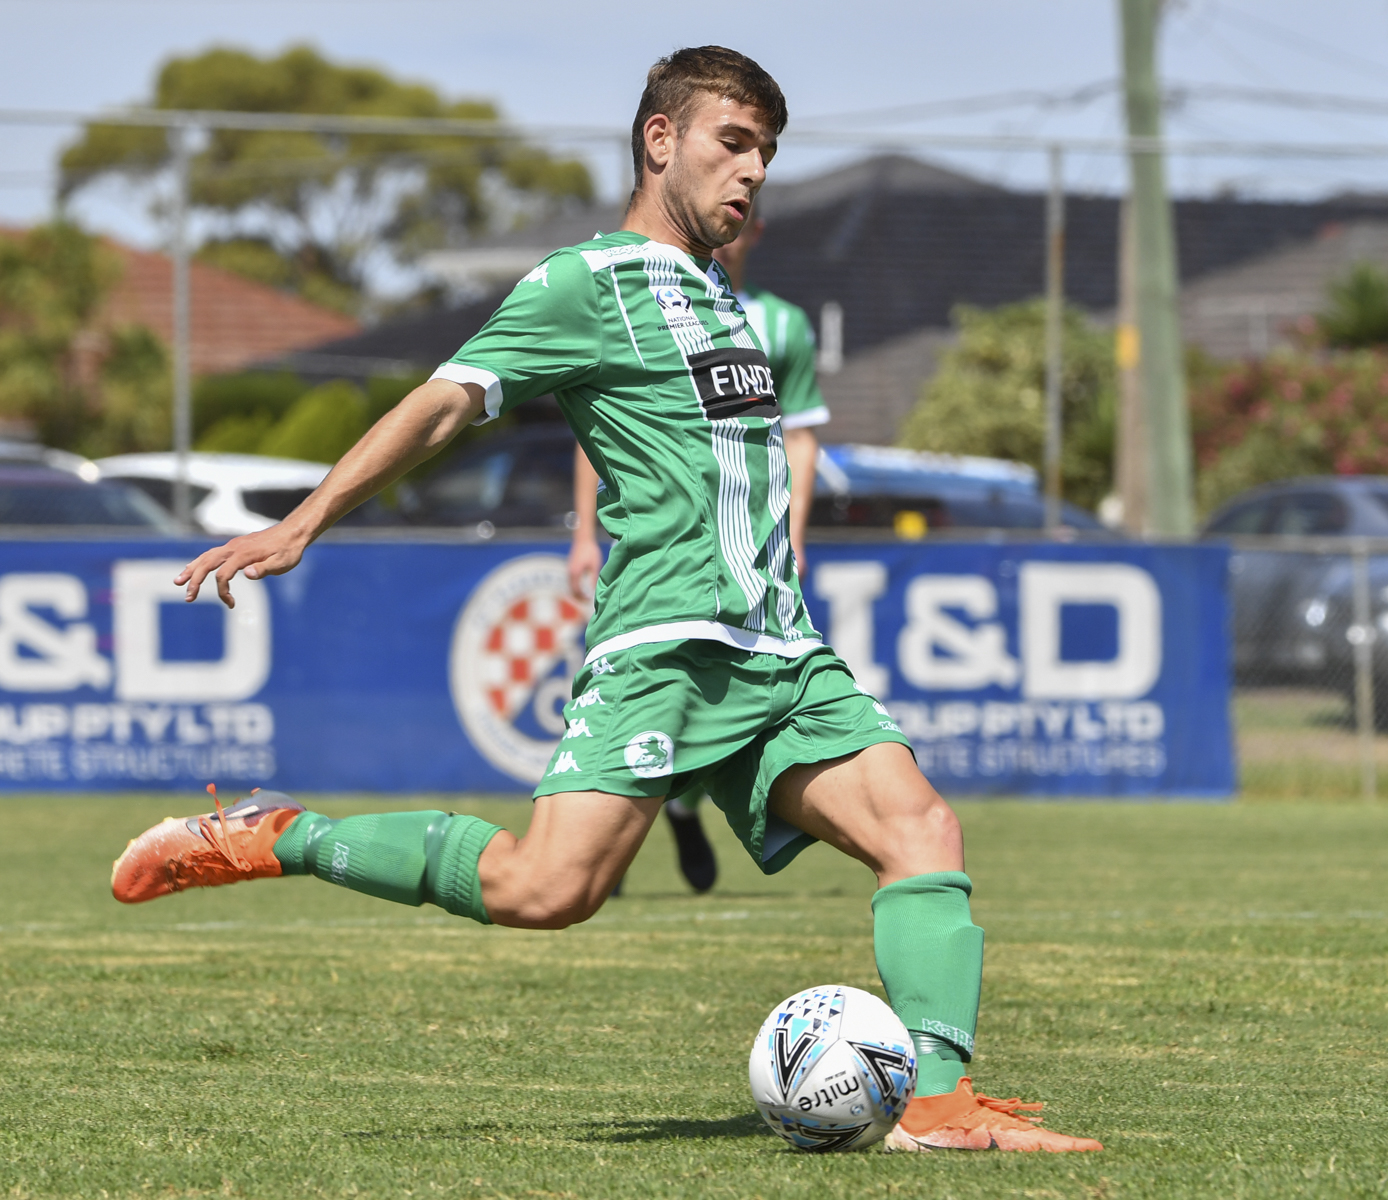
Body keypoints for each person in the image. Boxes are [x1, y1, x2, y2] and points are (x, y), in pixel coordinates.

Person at [111, 46, 1100, 1154]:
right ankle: (277, 836)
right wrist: (302, 522)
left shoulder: (733, 302)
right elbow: (444, 405)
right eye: (734, 143)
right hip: (667, 649)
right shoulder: (584, 284)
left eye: (767, 153)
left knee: (921, 828)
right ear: (659, 140)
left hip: (778, 651)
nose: (753, 172)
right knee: (548, 890)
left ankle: (939, 1104)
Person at [567, 205, 827, 895]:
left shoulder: (781, 324)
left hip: (753, 567)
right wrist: (584, 535)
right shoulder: (625, 294)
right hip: (657, 559)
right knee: (639, 689)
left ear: (759, 232)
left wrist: (791, 539)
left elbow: (798, 438)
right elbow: (591, 422)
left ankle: (674, 807)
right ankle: (611, 822)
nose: (733, 214)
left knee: (918, 827)